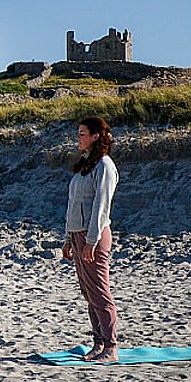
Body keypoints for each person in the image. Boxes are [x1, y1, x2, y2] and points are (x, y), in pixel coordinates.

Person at [62, 116, 121, 363]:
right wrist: (68, 238)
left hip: (93, 235)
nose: (78, 137)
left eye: (82, 133)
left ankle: (111, 346)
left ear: (96, 136)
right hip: (78, 234)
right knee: (89, 293)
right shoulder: (86, 165)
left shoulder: (105, 166)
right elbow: (73, 204)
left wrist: (92, 241)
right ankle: (98, 342)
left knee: (100, 291)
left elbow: (101, 206)